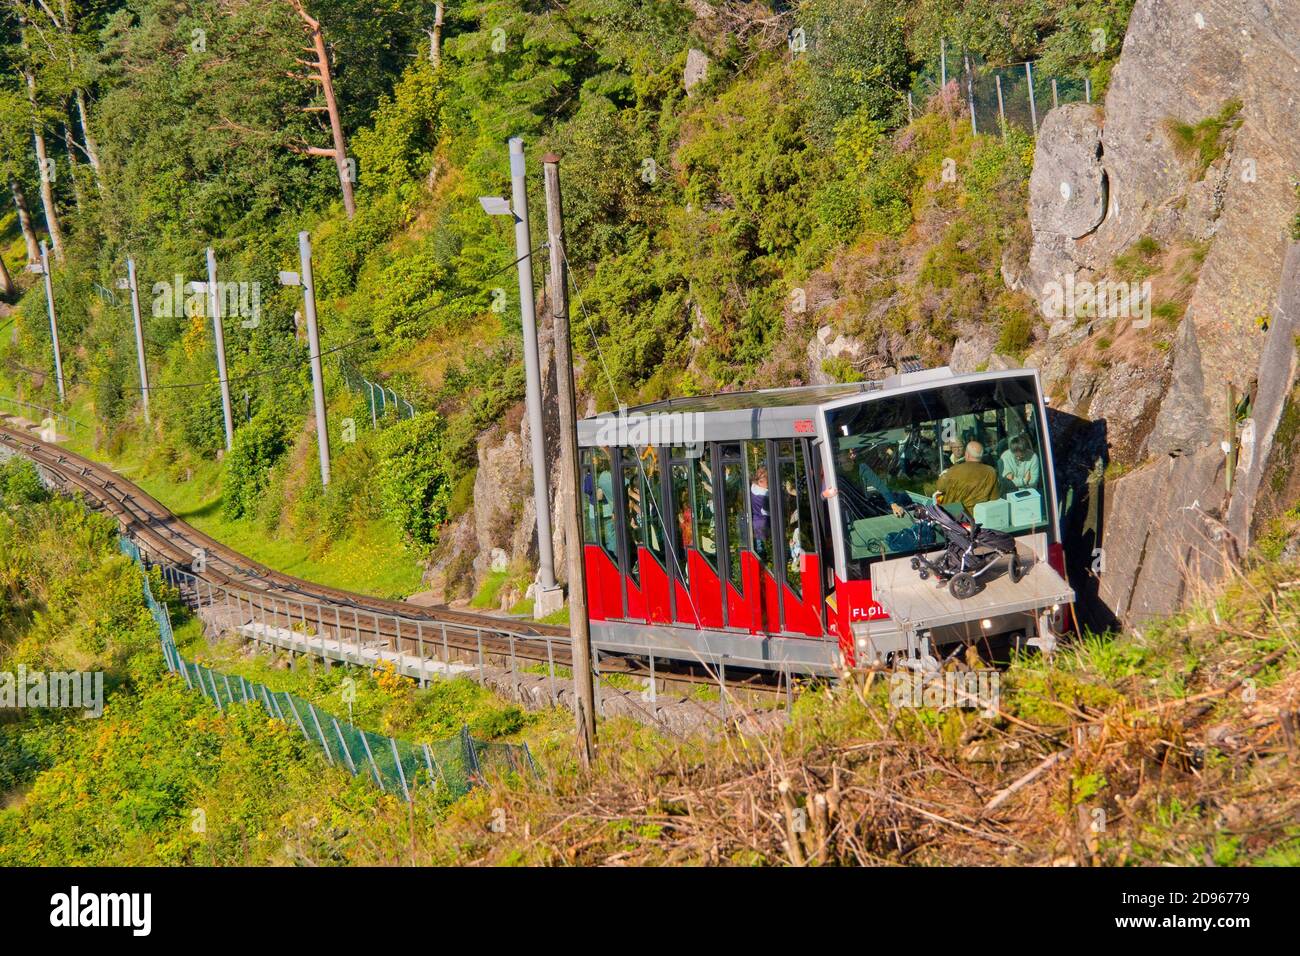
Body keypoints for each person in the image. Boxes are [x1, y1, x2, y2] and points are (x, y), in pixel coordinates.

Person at [935, 440, 1000, 515]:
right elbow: (995, 498)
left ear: (967, 454)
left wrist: (943, 475)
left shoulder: (953, 470)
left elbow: (939, 487)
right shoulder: (991, 472)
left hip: (956, 516)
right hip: (981, 516)